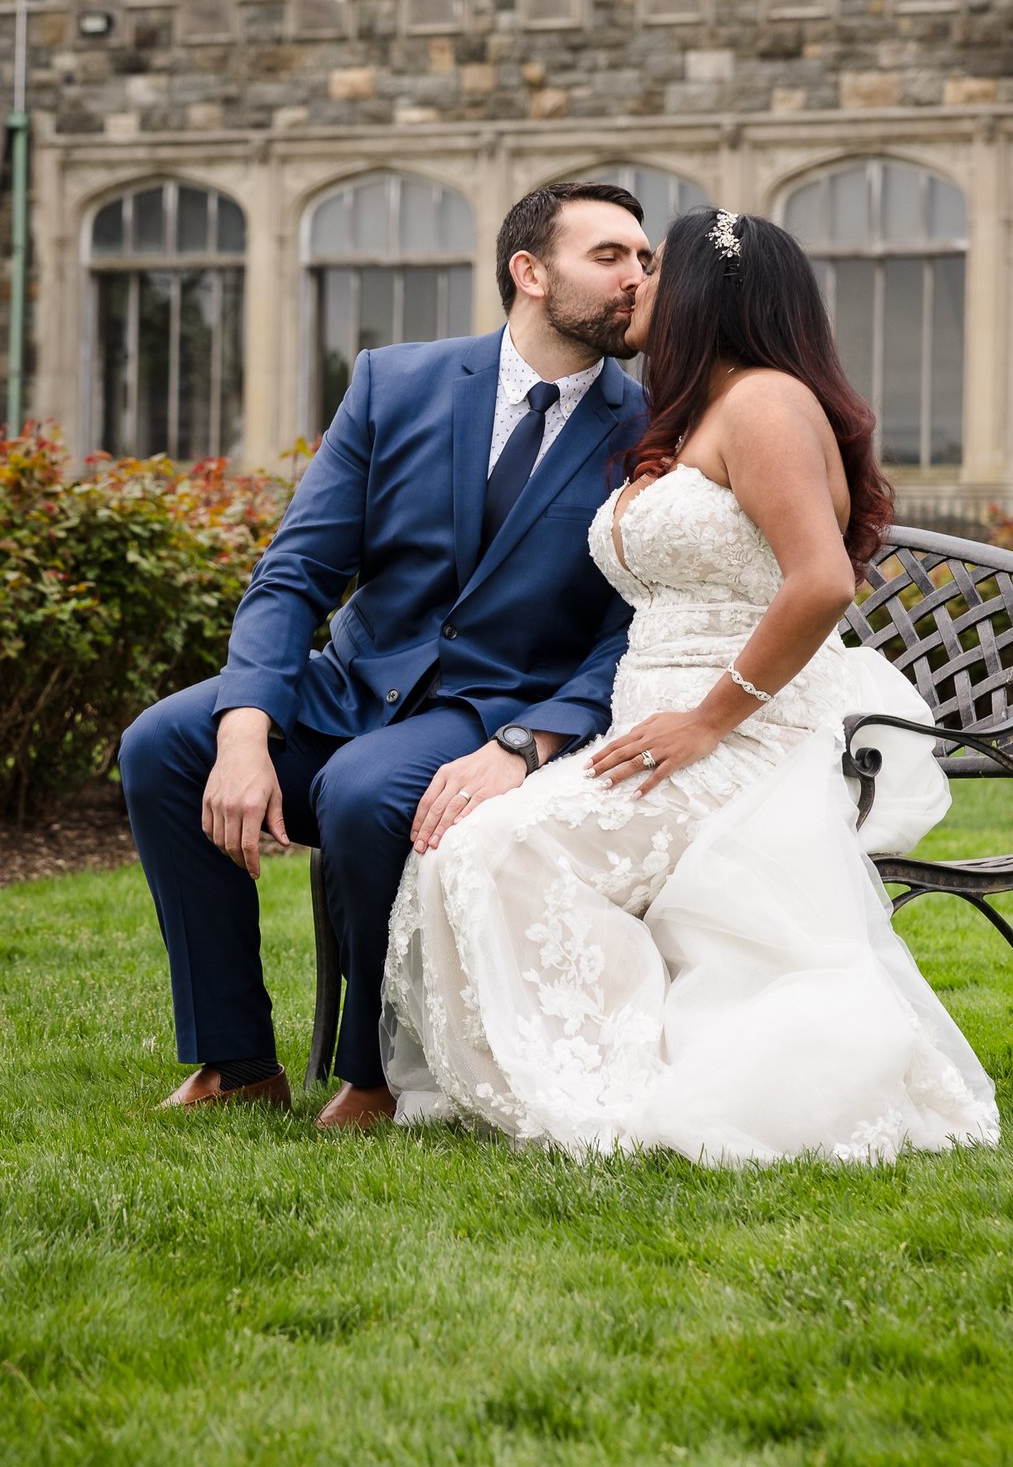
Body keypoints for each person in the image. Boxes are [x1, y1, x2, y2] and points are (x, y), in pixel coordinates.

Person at [381, 206, 999, 1165]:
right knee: (470, 844)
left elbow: (823, 581)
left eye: (654, 267)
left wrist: (707, 722)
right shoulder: (704, 413)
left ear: (710, 292)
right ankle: (620, 1058)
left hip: (748, 739)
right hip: (658, 732)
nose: (635, 282)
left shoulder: (764, 405)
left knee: (495, 852)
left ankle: (616, 1092)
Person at [120, 182, 655, 1130]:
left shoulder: (653, 429)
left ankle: (375, 1075)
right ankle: (237, 1058)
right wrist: (245, 733)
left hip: (495, 707)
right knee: (167, 745)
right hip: (355, 681)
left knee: (366, 791)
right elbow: (295, 572)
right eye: (610, 255)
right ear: (529, 273)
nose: (636, 278)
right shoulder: (393, 381)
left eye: (644, 261)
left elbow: (632, 632)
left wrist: (527, 740)